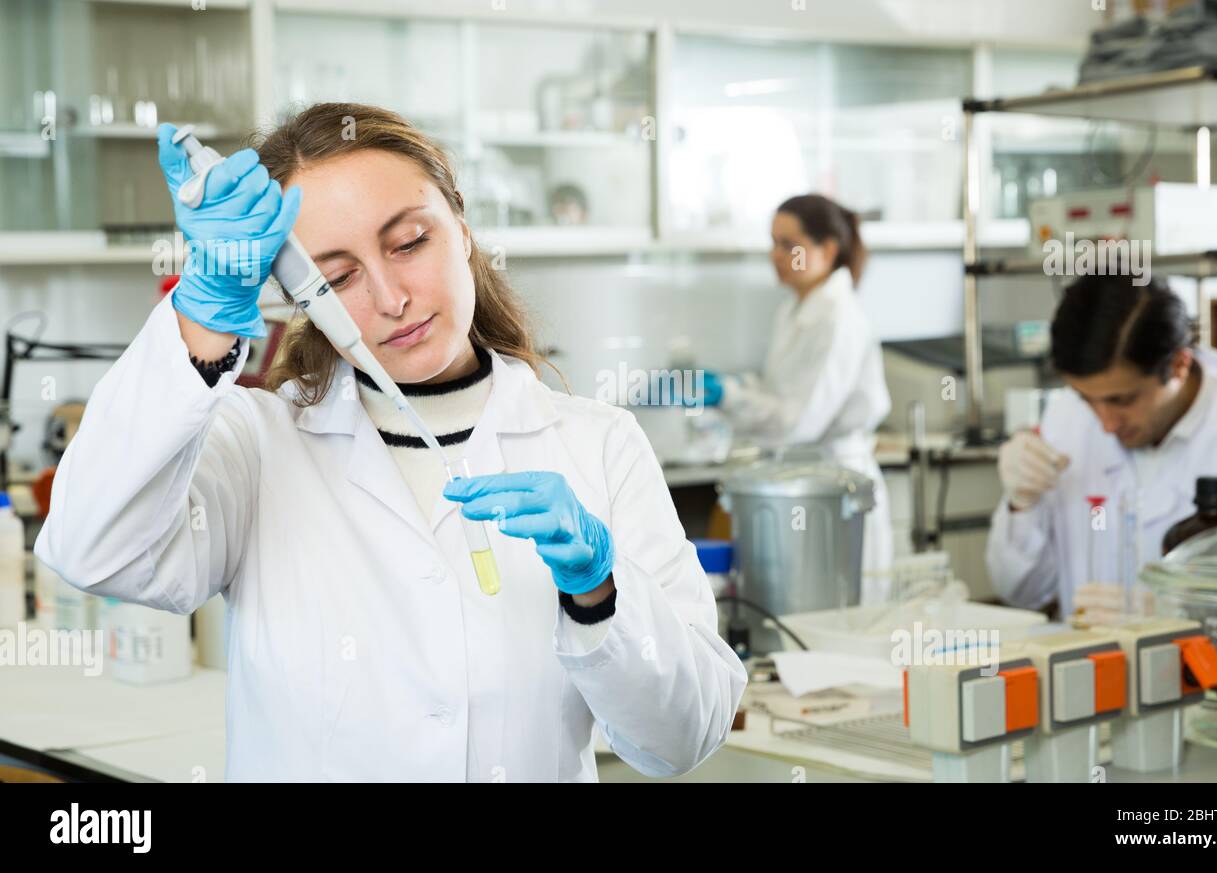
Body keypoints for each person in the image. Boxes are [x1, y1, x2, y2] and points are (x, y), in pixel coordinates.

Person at [35, 103, 746, 782]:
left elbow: (685, 736)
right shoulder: (260, 445)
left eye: (409, 242)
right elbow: (92, 548)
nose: (389, 296)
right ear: (301, 296)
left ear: (462, 227)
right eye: (338, 275)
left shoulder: (599, 444)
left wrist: (599, 591)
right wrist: (201, 314)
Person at [987, 272, 1217, 618]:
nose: (1105, 422)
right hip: (1084, 665)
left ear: (1179, 365)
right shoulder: (1065, 419)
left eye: (1122, 400)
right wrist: (1021, 506)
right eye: (1086, 399)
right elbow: (1022, 594)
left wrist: (1179, 612)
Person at [700, 194, 893, 597]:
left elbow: (800, 422)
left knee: (837, 619)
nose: (775, 255)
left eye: (789, 245)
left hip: (838, 486)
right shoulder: (793, 310)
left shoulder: (839, 317)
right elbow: (780, 392)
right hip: (802, 483)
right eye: (772, 243)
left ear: (827, 249)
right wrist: (731, 387)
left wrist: (730, 396)